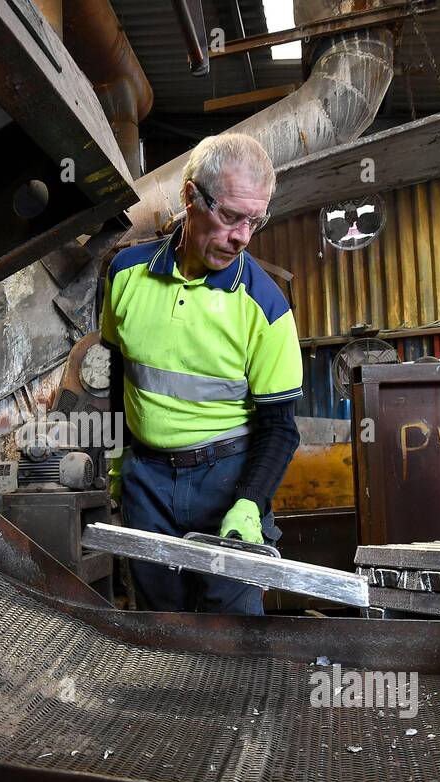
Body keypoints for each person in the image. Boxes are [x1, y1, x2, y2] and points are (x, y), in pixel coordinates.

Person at [101, 132, 302, 614]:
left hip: (228, 480)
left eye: (255, 221)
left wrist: (251, 504)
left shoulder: (267, 307)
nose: (242, 237)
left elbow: (280, 428)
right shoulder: (124, 275)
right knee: (161, 630)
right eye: (231, 216)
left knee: (234, 639)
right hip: (146, 482)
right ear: (190, 196)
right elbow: (117, 376)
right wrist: (118, 461)